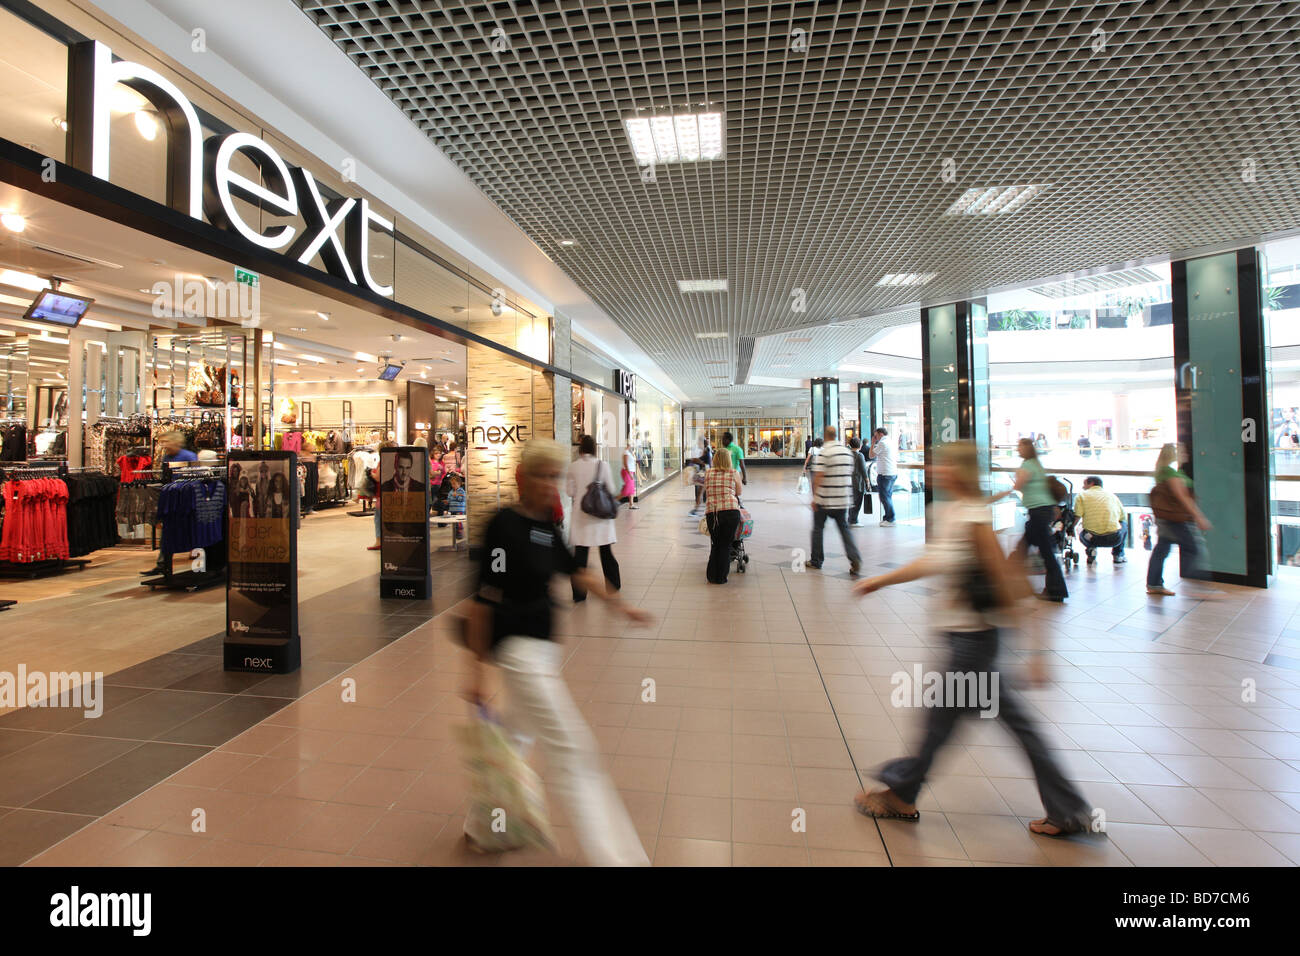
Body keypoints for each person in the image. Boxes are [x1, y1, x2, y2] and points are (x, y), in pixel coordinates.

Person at [851, 441, 1092, 837]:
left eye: (943, 465)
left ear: (958, 471)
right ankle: (1068, 811)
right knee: (1000, 726)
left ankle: (902, 793)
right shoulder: (957, 512)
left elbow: (1002, 579)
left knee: (940, 723)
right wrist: (881, 581)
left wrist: (1036, 651)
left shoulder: (973, 518)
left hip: (974, 643)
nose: (936, 471)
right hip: (967, 640)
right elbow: (939, 560)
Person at [462, 438, 653, 865]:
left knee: (512, 740)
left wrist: (621, 606)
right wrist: (476, 672)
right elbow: (483, 598)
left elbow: (576, 572)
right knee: (572, 749)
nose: (551, 484)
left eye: (556, 476)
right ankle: (616, 857)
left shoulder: (546, 526)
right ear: (520, 477)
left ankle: (482, 825)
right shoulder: (502, 527)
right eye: (542, 475)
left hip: (544, 653)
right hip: (517, 653)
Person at [991, 437, 1067, 602]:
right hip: (1042, 510)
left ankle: (1055, 590)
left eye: (1020, 447)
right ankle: (1009, 583)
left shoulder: (1027, 465)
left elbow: (1019, 485)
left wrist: (1011, 483)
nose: (1018, 449)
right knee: (1023, 548)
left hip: (1038, 511)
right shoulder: (1036, 464)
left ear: (1026, 449)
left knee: (1043, 552)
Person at [1146, 443, 1215, 598]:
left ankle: (1154, 584)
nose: (1186, 454)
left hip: (1166, 518)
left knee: (1161, 550)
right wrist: (1199, 517)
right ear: (1173, 454)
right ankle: (1196, 585)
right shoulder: (1170, 473)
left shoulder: (1164, 472)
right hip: (1174, 519)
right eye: (1182, 451)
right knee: (1192, 549)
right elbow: (1182, 497)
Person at [564, 435, 621, 602]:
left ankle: (579, 595)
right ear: (595, 448)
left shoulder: (573, 466)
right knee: (606, 553)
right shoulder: (603, 465)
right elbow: (611, 488)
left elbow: (569, 492)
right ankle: (613, 588)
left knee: (580, 557)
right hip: (601, 516)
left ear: (580, 449)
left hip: (581, 516)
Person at [809, 426, 861, 575]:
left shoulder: (824, 453)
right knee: (844, 529)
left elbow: (818, 477)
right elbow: (849, 473)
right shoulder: (847, 452)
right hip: (843, 499)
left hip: (825, 499)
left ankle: (816, 560)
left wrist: (815, 498)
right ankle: (854, 558)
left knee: (818, 529)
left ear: (826, 436)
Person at [704, 447, 744, 584]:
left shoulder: (708, 473)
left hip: (713, 513)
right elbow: (739, 492)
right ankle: (721, 577)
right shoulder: (734, 473)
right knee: (726, 545)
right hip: (730, 512)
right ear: (728, 460)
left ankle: (711, 575)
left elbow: (707, 491)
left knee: (716, 544)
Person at [1075, 476, 1127, 566]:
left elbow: (1078, 515)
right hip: (1113, 538)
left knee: (1080, 526)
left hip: (1091, 538)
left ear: (1091, 484)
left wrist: (1071, 528)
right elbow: (1123, 517)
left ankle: (1091, 551)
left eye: (1085, 484)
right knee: (1124, 524)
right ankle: (1118, 555)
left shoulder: (1081, 495)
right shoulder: (1112, 496)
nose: (1083, 487)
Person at [367, 440, 397, 550]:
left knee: (379, 517)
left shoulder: (384, 461)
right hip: (394, 492)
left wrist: (371, 473)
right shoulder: (397, 461)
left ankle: (380, 540)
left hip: (384, 493)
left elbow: (379, 477)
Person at [868, 427, 898, 526]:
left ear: (880, 434)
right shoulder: (891, 441)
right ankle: (888, 517)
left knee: (885, 497)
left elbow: (871, 455)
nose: (875, 438)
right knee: (887, 496)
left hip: (885, 474)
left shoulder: (882, 443)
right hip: (891, 472)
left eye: (876, 435)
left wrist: (872, 443)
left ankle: (890, 519)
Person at [847, 437, 870, 526]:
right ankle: (854, 520)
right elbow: (864, 470)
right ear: (859, 445)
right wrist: (867, 482)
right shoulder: (859, 455)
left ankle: (850, 518)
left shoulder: (848, 454)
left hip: (849, 480)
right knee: (857, 501)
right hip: (857, 481)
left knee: (852, 500)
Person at [686, 437, 712, 516]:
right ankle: (696, 510)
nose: (698, 444)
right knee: (701, 493)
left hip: (706, 475)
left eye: (699, 443)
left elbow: (708, 464)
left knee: (701, 493)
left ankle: (697, 510)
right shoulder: (705, 451)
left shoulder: (707, 452)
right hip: (705, 475)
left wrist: (699, 461)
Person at [620, 441, 639, 510]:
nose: (631, 445)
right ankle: (613, 501)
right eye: (631, 444)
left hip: (630, 472)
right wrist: (629, 473)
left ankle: (631, 504)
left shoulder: (628, 452)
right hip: (627, 472)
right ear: (628, 445)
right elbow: (625, 464)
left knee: (631, 489)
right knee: (626, 490)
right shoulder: (626, 452)